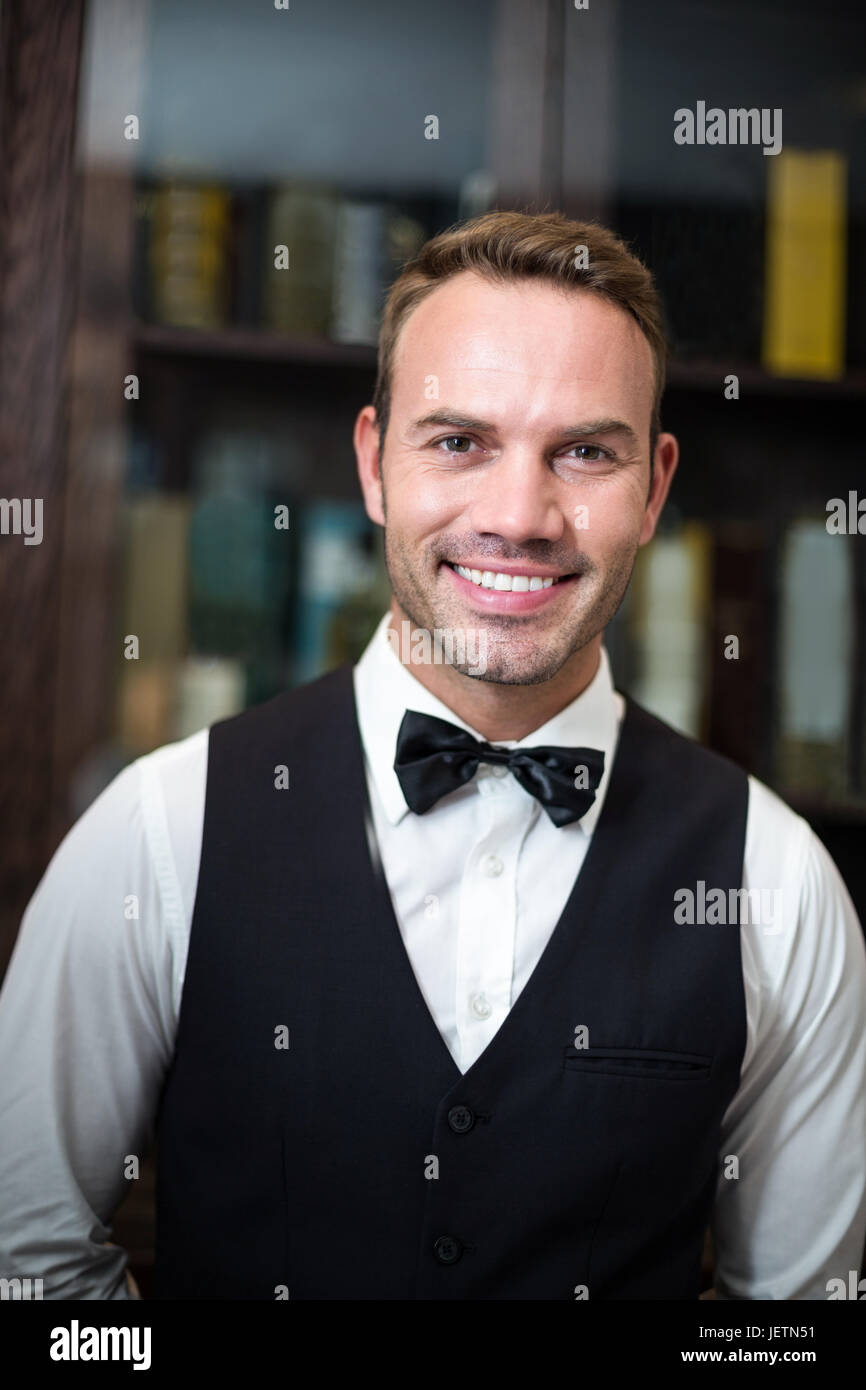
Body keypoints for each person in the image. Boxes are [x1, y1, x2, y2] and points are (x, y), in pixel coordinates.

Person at [1, 210, 864, 1301]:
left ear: (651, 488)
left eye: (585, 452)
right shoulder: (156, 830)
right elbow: (26, 1271)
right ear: (373, 464)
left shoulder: (777, 883)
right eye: (457, 440)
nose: (517, 514)